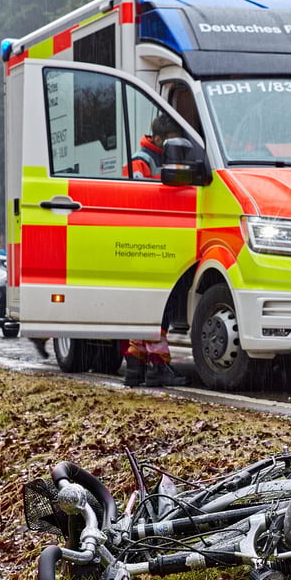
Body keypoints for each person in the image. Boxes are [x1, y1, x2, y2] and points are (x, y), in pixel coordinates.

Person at [122, 114, 189, 387]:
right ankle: (157, 366)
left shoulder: (157, 159)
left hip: (155, 239)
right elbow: (138, 199)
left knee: (147, 309)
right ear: (159, 139)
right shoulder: (142, 162)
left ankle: (135, 368)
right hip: (149, 241)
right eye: (172, 141)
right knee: (158, 309)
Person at [125, 114, 183, 179]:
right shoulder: (138, 162)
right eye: (172, 141)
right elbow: (134, 185)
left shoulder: (171, 156)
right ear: (158, 140)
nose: (177, 144)